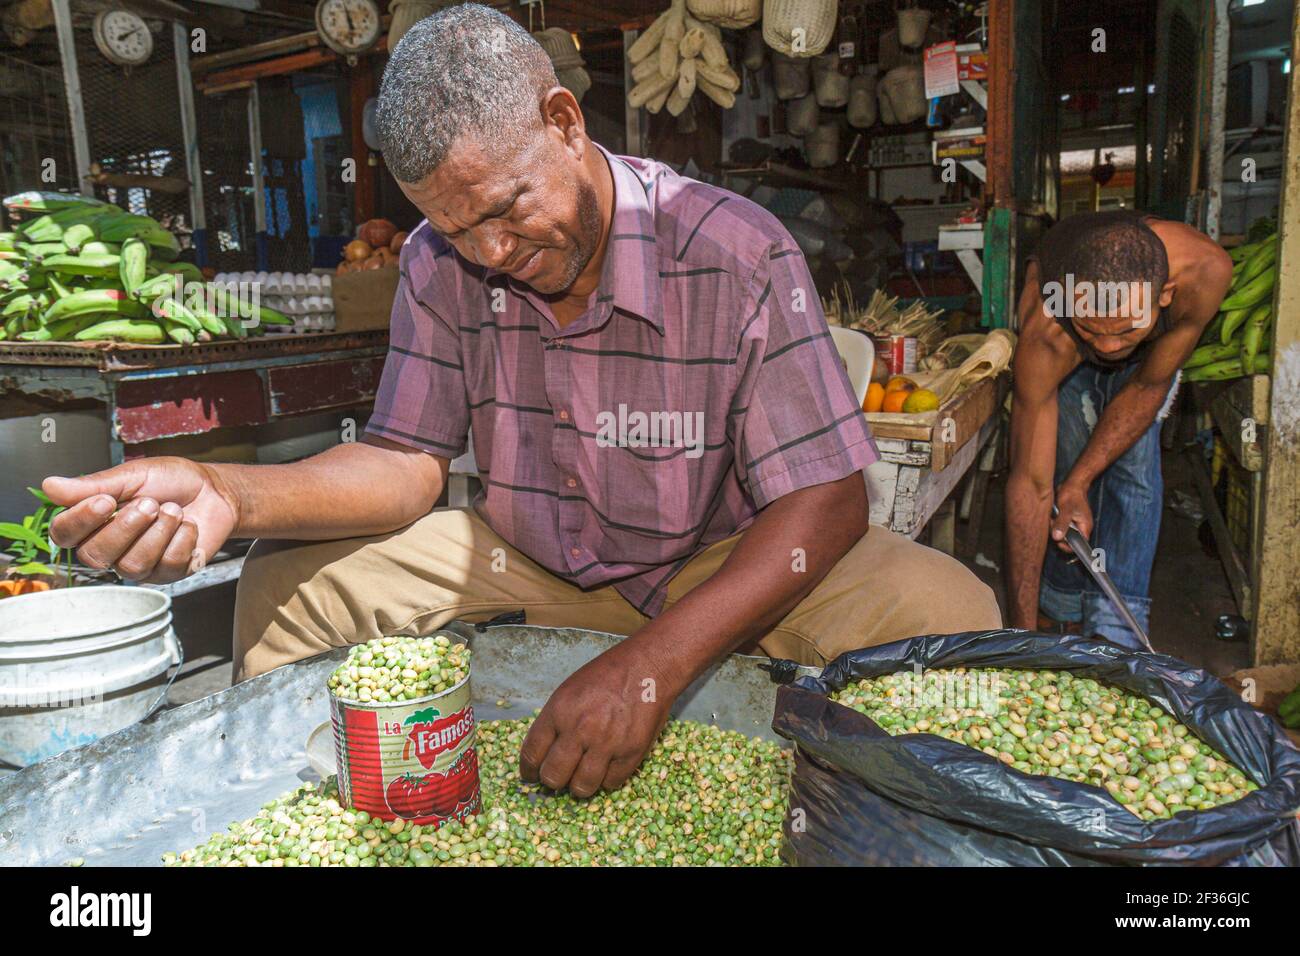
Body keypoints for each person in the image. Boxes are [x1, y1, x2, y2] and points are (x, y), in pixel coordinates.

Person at [45, 4, 999, 798]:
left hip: (719, 559)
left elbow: (826, 502)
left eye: (504, 209)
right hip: (527, 556)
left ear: (564, 120)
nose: (490, 253)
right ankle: (342, 816)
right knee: (283, 586)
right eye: (456, 230)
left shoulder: (736, 251)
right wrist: (230, 493)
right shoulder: (435, 264)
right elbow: (405, 462)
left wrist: (651, 666)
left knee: (955, 616)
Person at [1005, 210, 1233, 648]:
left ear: (1165, 295)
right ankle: (1059, 611)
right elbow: (1028, 483)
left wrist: (1080, 484)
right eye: (1095, 331)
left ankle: (1118, 631)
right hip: (1065, 344)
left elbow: (1147, 384)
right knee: (1060, 459)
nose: (1109, 348)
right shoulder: (1047, 327)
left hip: (1140, 359)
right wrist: (1020, 637)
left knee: (1136, 471)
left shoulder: (1206, 272)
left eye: (1126, 329)